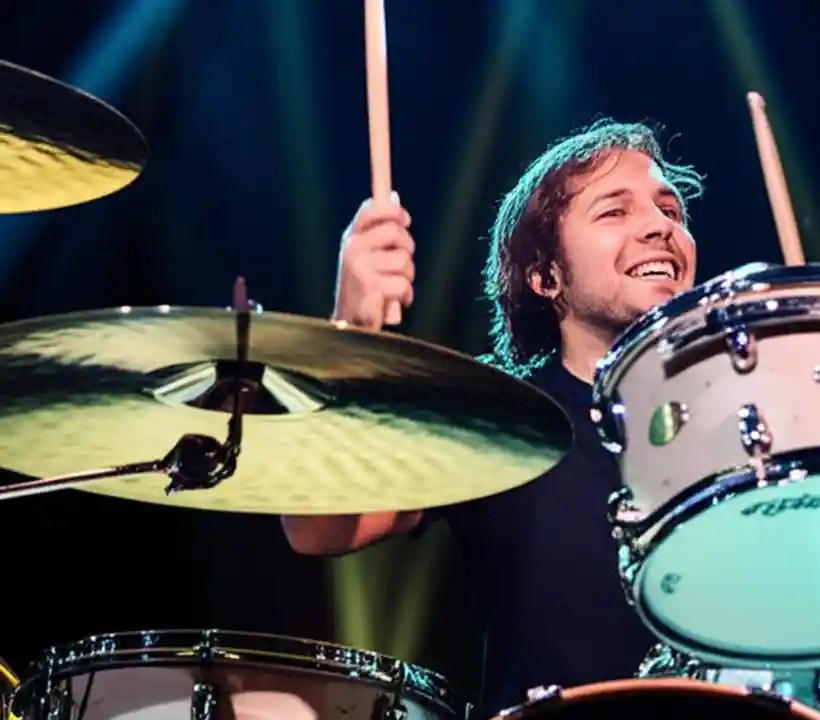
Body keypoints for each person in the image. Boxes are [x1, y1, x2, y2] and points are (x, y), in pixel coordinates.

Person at [280, 118, 705, 716]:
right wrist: (351, 332)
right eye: (614, 211)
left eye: (670, 210)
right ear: (546, 276)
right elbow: (317, 528)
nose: (660, 226)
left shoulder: (741, 415)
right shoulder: (494, 410)